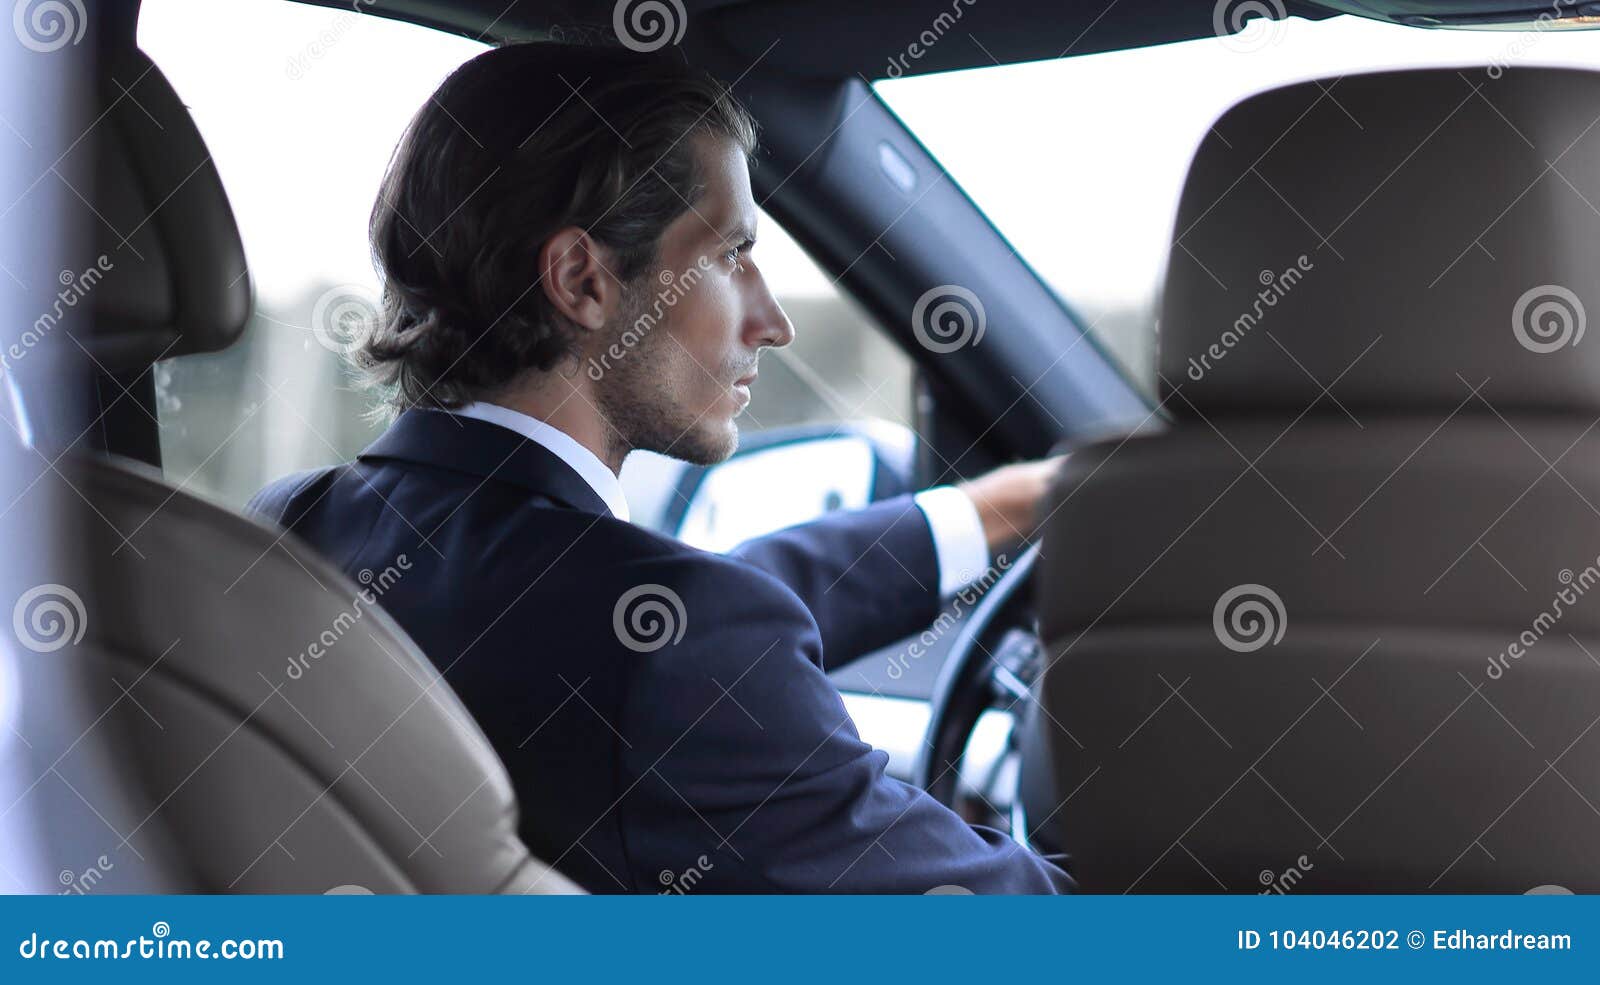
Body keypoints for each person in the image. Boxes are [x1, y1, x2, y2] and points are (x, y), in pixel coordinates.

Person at [250, 42, 1073, 893]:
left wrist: (999, 507)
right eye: (729, 256)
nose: (773, 320)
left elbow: (673, 610)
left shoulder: (285, 530)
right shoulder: (676, 652)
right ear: (583, 280)